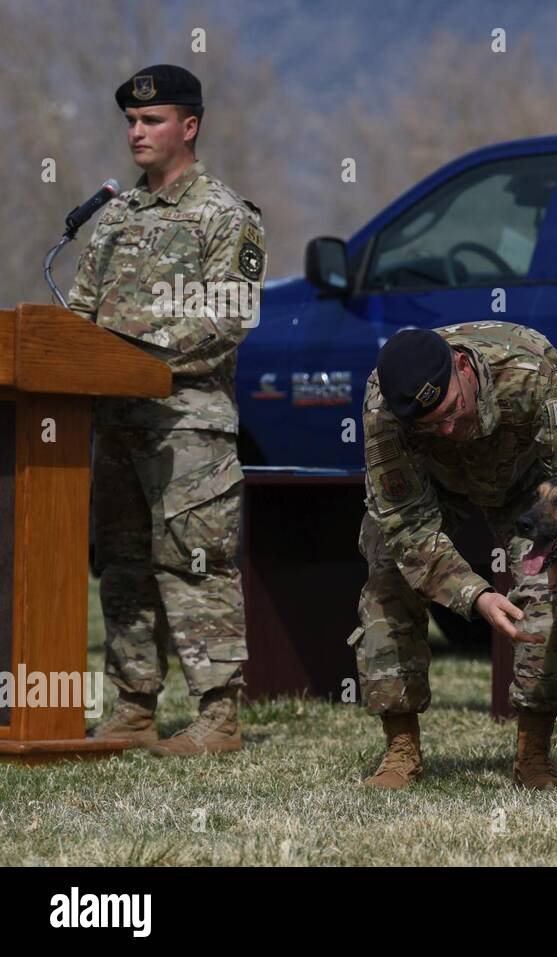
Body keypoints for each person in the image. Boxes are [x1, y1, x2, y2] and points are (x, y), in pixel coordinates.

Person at [70, 64, 266, 755]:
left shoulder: (227, 216)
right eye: (129, 121)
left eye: (151, 121)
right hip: (115, 424)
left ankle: (218, 717)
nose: (136, 132)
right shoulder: (115, 217)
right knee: (121, 566)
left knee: (194, 564)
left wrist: (134, 358)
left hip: (189, 425)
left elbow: (227, 322)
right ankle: (133, 707)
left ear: (189, 126)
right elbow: (77, 316)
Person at [352, 322, 557, 788]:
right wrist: (476, 595)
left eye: (451, 410)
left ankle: (534, 754)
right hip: (436, 489)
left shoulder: (532, 370)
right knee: (386, 576)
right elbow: (406, 524)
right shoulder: (383, 409)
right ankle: (400, 749)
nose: (447, 428)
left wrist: (556, 556)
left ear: (463, 367)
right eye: (430, 426)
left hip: (528, 489)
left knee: (549, 591)